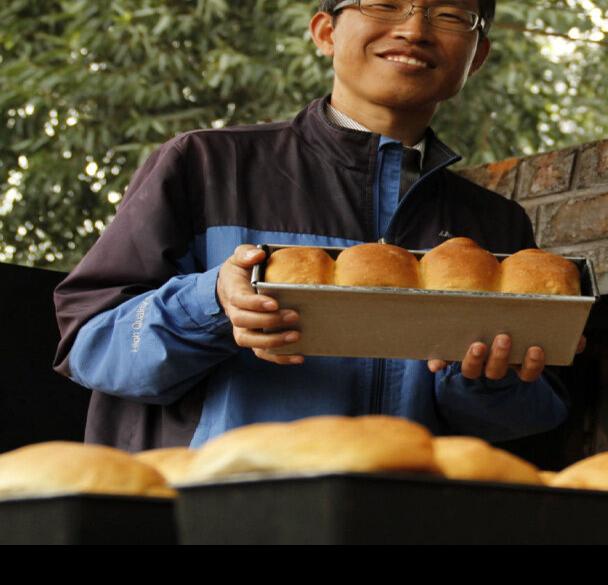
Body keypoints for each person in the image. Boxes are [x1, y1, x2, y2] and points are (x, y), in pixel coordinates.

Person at [52, 0, 577, 451]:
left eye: (449, 14)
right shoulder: (207, 165)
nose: (414, 29)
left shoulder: (495, 225)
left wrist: (487, 384)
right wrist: (212, 303)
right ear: (325, 32)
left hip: (394, 516)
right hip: (212, 513)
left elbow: (529, 419)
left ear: (477, 56)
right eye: (384, 4)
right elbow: (91, 346)